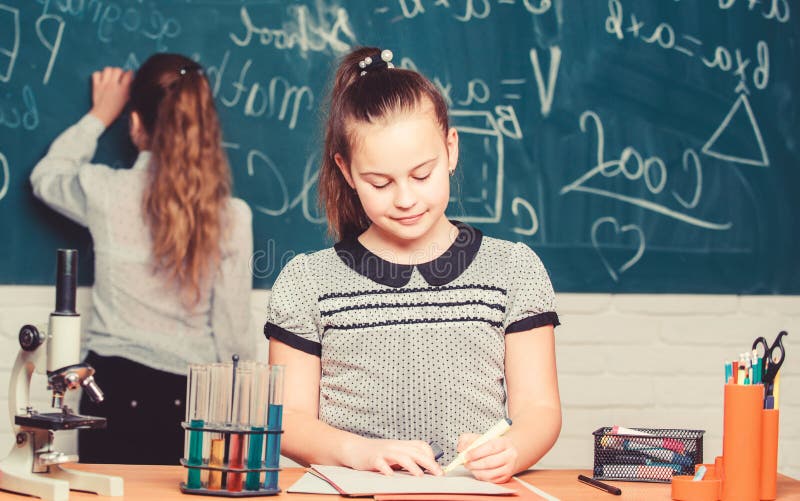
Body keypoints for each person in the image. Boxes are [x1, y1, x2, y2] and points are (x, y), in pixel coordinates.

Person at [265, 47, 561, 484]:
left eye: (422, 175)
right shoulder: (307, 282)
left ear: (451, 148)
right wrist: (358, 452)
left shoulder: (513, 270)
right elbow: (288, 418)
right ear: (345, 171)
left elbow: (540, 408)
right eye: (380, 182)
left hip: (470, 492)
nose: (405, 199)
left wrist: (513, 450)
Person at [30, 54, 255, 465]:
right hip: (191, 401)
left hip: (111, 391)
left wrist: (99, 114)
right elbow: (234, 337)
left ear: (136, 124)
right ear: (204, 127)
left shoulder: (106, 193)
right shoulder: (230, 218)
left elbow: (47, 176)